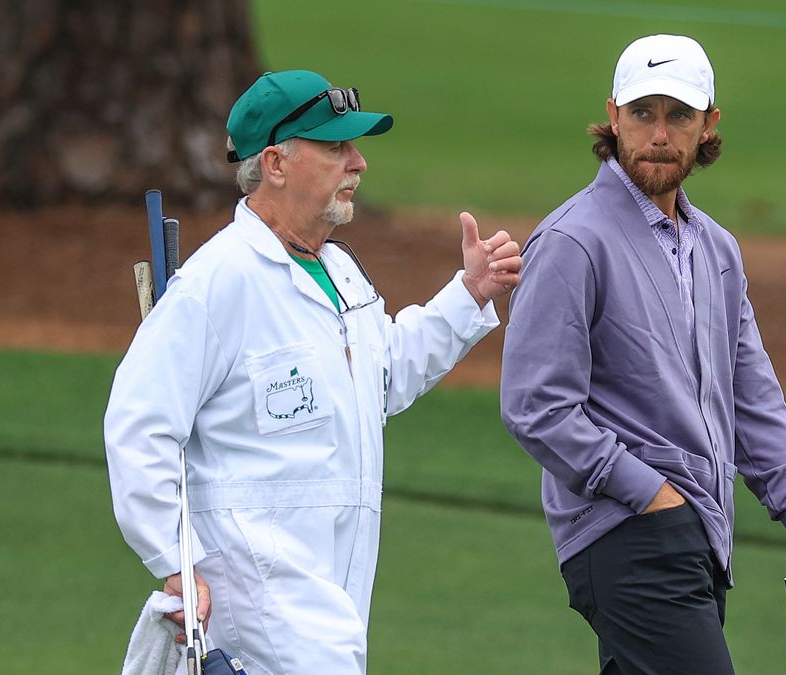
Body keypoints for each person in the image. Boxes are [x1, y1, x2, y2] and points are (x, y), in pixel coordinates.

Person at [104, 69, 521, 674]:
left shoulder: (340, 271)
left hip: (334, 585)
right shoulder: (216, 282)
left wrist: (469, 294)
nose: (358, 163)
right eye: (335, 148)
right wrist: (174, 560)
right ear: (275, 163)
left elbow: (380, 380)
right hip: (258, 592)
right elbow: (138, 426)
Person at [500, 35, 786, 673]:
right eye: (642, 114)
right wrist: (651, 493)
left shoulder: (717, 250)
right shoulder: (573, 241)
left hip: (697, 537)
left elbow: (752, 398)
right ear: (613, 117)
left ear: (708, 125)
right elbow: (535, 407)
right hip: (627, 534)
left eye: (678, 116)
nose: (658, 134)